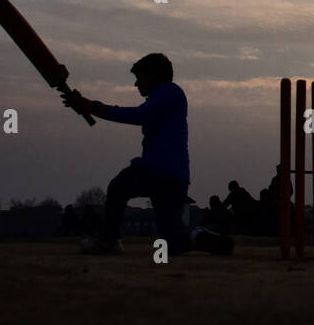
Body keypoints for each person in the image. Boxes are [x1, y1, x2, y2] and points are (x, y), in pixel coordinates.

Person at [61, 52, 232, 256]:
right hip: (175, 176)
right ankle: (197, 237)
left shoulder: (169, 92)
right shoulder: (167, 96)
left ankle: (108, 241)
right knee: (171, 243)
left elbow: (139, 115)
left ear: (153, 75)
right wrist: (86, 104)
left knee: (118, 187)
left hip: (156, 170)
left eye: (139, 78)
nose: (136, 84)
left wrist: (92, 107)